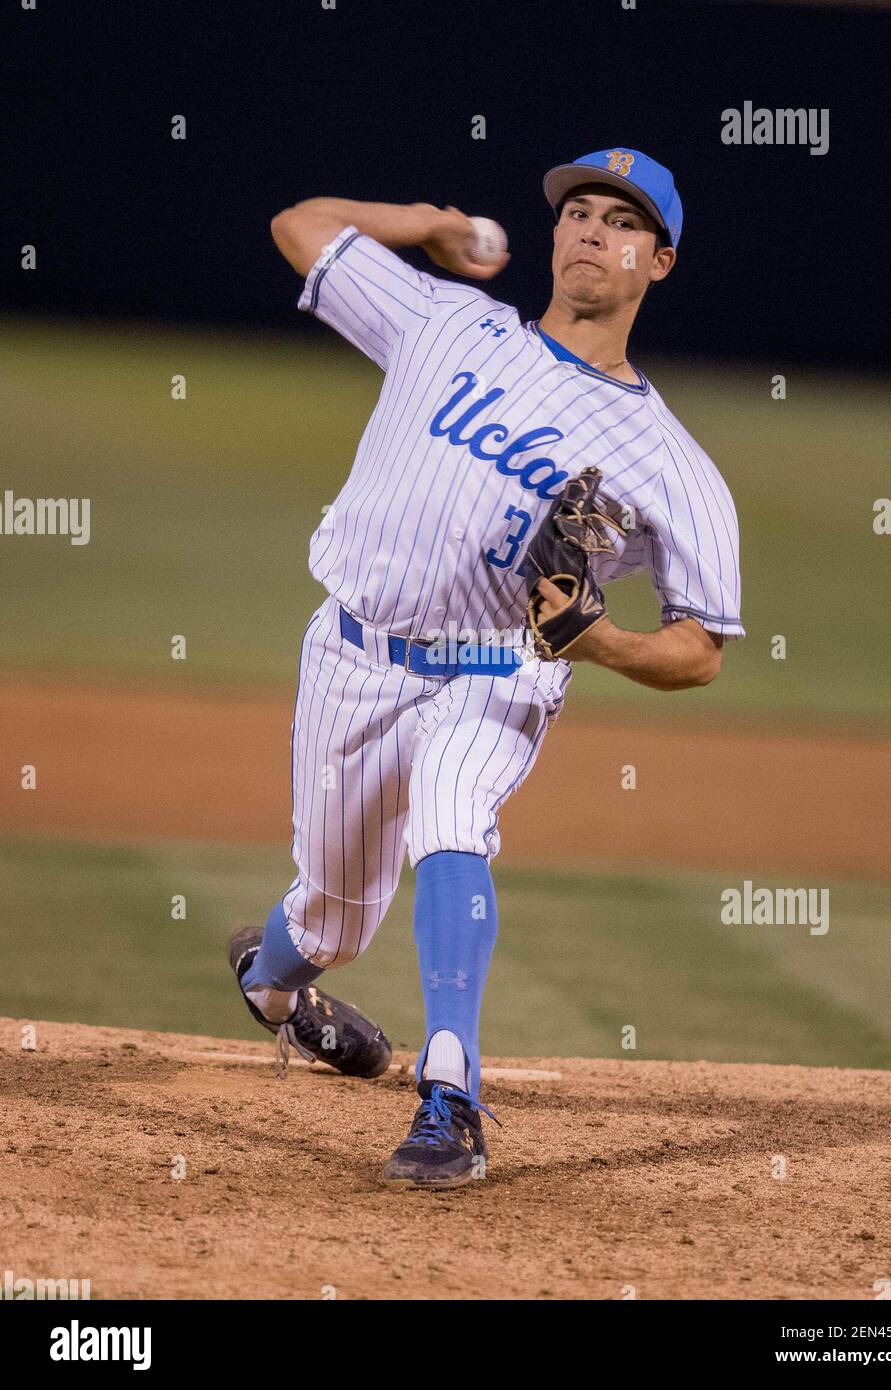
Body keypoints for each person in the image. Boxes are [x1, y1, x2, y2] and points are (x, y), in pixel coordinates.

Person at [228, 147, 745, 1188]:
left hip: (499, 669)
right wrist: (421, 219)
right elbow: (299, 221)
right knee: (333, 909)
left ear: (661, 261)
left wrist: (599, 643)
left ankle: (449, 1093)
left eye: (624, 222)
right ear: (554, 236)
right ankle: (274, 987)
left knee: (454, 815)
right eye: (581, 213)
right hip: (352, 653)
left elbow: (700, 648)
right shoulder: (448, 322)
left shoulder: (672, 463)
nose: (595, 231)